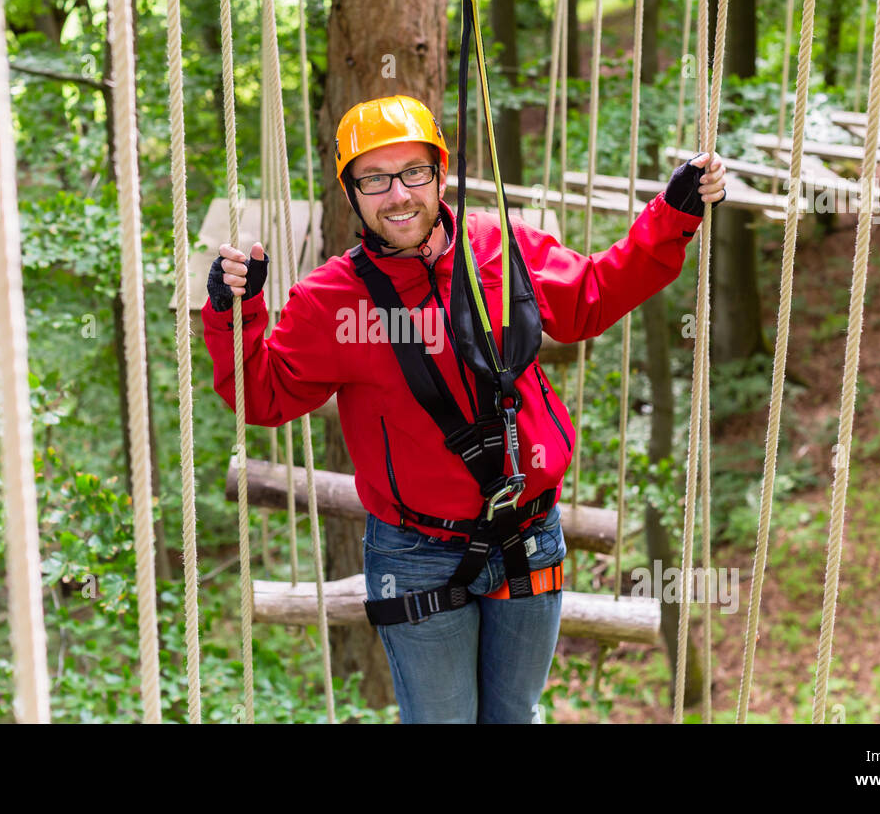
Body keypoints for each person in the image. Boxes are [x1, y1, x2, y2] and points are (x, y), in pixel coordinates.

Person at [202, 93, 726, 723]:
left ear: (440, 175)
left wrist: (672, 217)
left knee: (515, 717)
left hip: (527, 534)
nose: (398, 195)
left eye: (413, 173)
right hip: (415, 555)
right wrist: (236, 313)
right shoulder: (329, 302)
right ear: (352, 193)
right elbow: (262, 393)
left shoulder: (499, 247)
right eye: (374, 179)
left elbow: (591, 295)